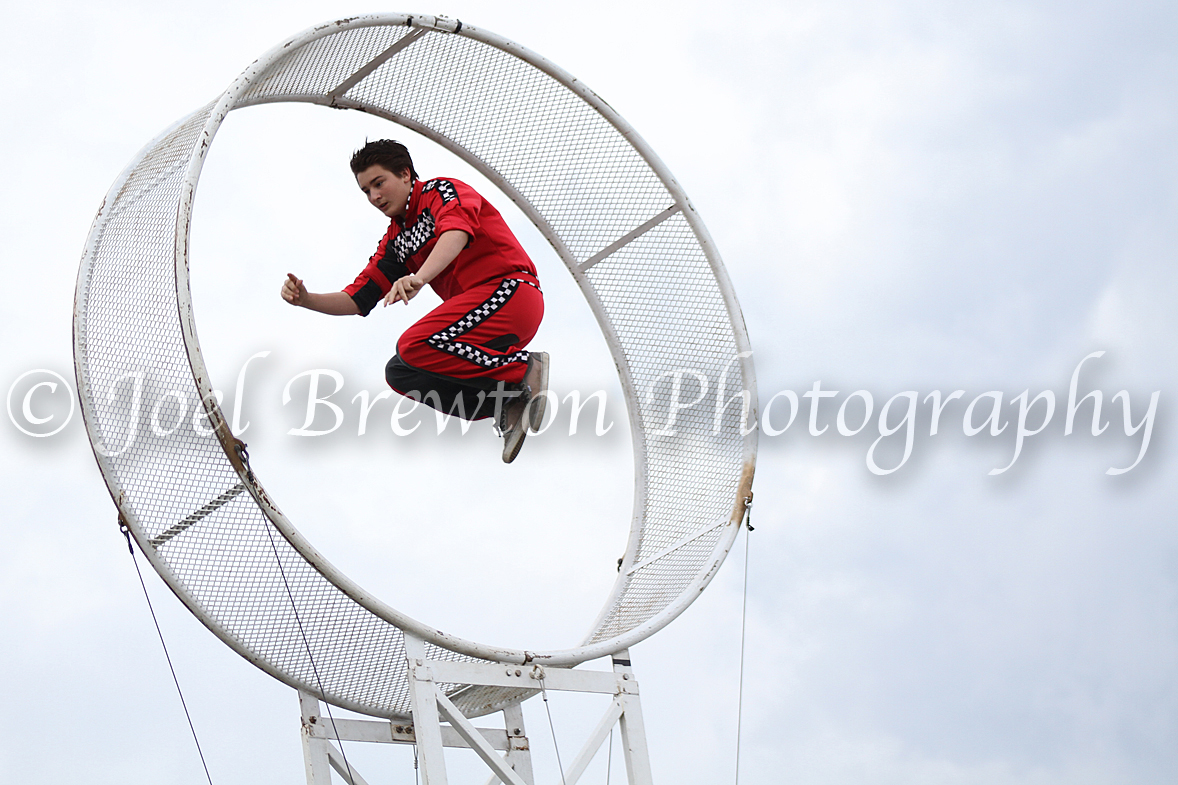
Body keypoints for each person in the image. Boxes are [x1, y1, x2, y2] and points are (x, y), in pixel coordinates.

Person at [280, 139, 548, 463]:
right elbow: (357, 297)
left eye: (379, 183)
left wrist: (419, 277)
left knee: (415, 343)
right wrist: (306, 299)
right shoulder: (396, 239)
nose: (374, 197)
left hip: (511, 293)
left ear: (405, 174)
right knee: (401, 372)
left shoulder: (440, 191)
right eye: (366, 191)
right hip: (478, 325)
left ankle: (523, 369)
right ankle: (508, 401)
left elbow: (456, 232)